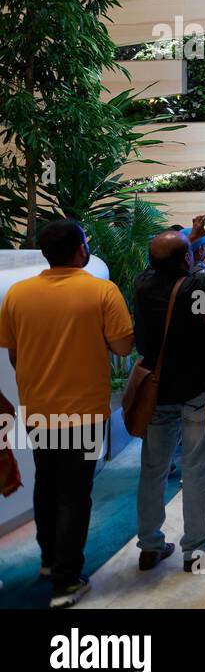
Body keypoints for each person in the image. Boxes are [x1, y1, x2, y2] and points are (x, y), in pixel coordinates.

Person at [0, 219, 133, 608]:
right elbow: (124, 348)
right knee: (75, 493)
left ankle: (48, 560)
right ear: (80, 249)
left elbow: (13, 353)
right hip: (84, 413)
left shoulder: (18, 295)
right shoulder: (101, 290)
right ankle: (67, 579)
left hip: (38, 409)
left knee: (47, 484)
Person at [132, 231, 205, 573]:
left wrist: (190, 237)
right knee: (197, 469)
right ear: (186, 259)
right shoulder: (200, 283)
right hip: (197, 390)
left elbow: (165, 258)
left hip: (157, 392)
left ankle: (149, 546)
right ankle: (196, 549)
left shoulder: (142, 285)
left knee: (153, 468)